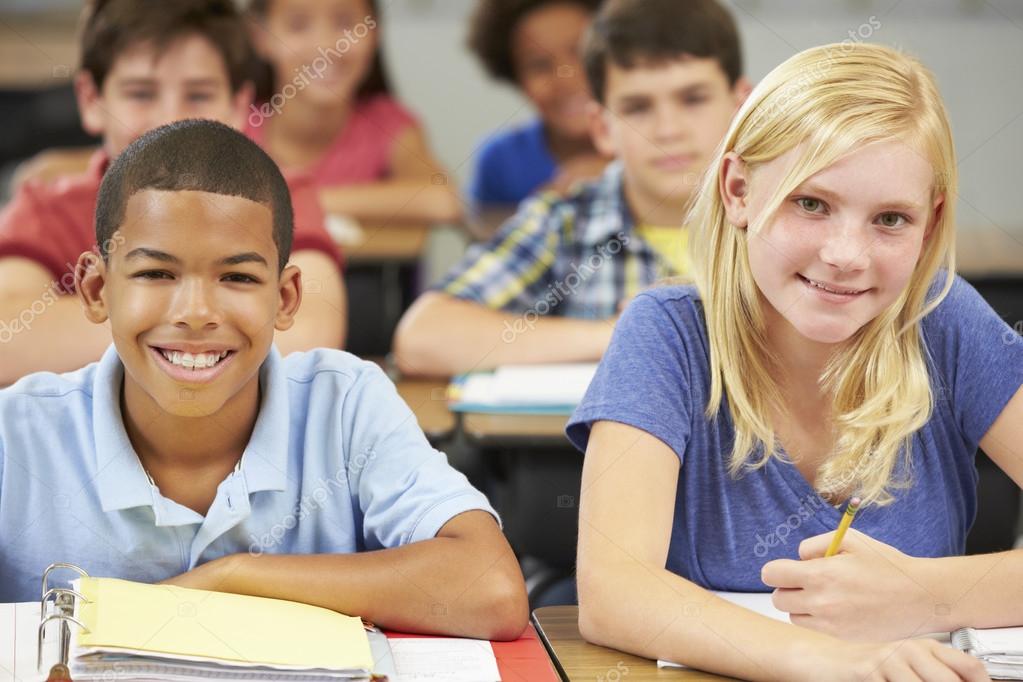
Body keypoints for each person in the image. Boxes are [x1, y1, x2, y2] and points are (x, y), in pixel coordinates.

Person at [569, 42, 1022, 680]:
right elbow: (614, 591)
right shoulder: (666, 336)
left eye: (891, 219)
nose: (846, 254)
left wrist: (924, 593)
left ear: (930, 224)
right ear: (738, 190)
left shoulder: (945, 320)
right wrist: (838, 663)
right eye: (812, 204)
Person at [0, 120, 528, 641]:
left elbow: (493, 590)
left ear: (286, 298)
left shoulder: (344, 405)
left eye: (238, 277)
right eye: (156, 274)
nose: (197, 312)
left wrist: (232, 577)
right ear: (95, 289)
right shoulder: (16, 435)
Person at [395, 0, 751, 377]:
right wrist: (626, 332)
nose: (668, 130)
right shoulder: (562, 224)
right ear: (601, 128)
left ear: (741, 104)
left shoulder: (786, 216)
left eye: (693, 99)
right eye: (637, 107)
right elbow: (421, 339)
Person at [0, 0, 347, 386]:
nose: (170, 118)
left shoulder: (280, 196)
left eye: (198, 95)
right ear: (91, 100)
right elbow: (8, 339)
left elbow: (311, 331)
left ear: (237, 105)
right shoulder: (47, 210)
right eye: (141, 94)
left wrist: (140, 328)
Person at [246, 0, 461, 225]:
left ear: (375, 32)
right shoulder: (237, 124)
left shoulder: (389, 125)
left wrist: (300, 202)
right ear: (260, 37)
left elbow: (443, 200)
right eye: (298, 25)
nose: (326, 46)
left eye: (345, 23)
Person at [465, 0, 606, 229]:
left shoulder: (655, 146)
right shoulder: (500, 161)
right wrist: (542, 208)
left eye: (581, 52)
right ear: (515, 78)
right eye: (539, 65)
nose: (567, 79)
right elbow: (486, 250)